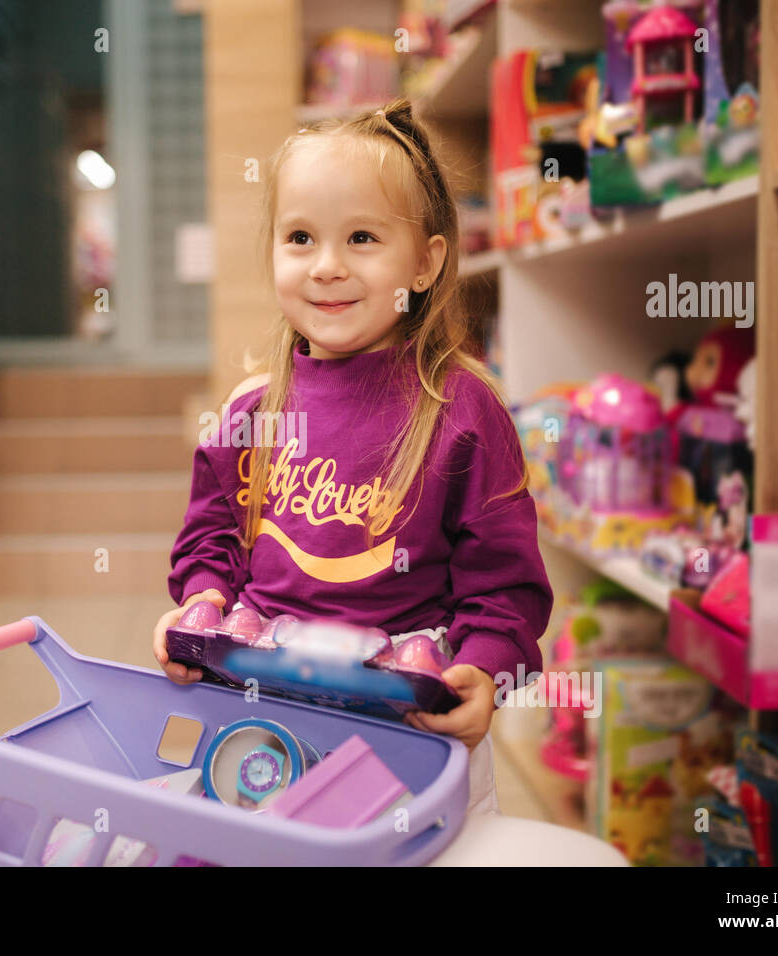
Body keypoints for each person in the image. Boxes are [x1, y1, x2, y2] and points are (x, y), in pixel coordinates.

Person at [153, 100, 553, 815]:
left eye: (362, 237)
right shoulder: (252, 411)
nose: (328, 266)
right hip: (263, 718)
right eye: (300, 237)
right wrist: (203, 603)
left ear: (426, 262)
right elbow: (210, 540)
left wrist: (484, 671)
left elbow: (505, 586)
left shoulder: (462, 410)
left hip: (411, 730)